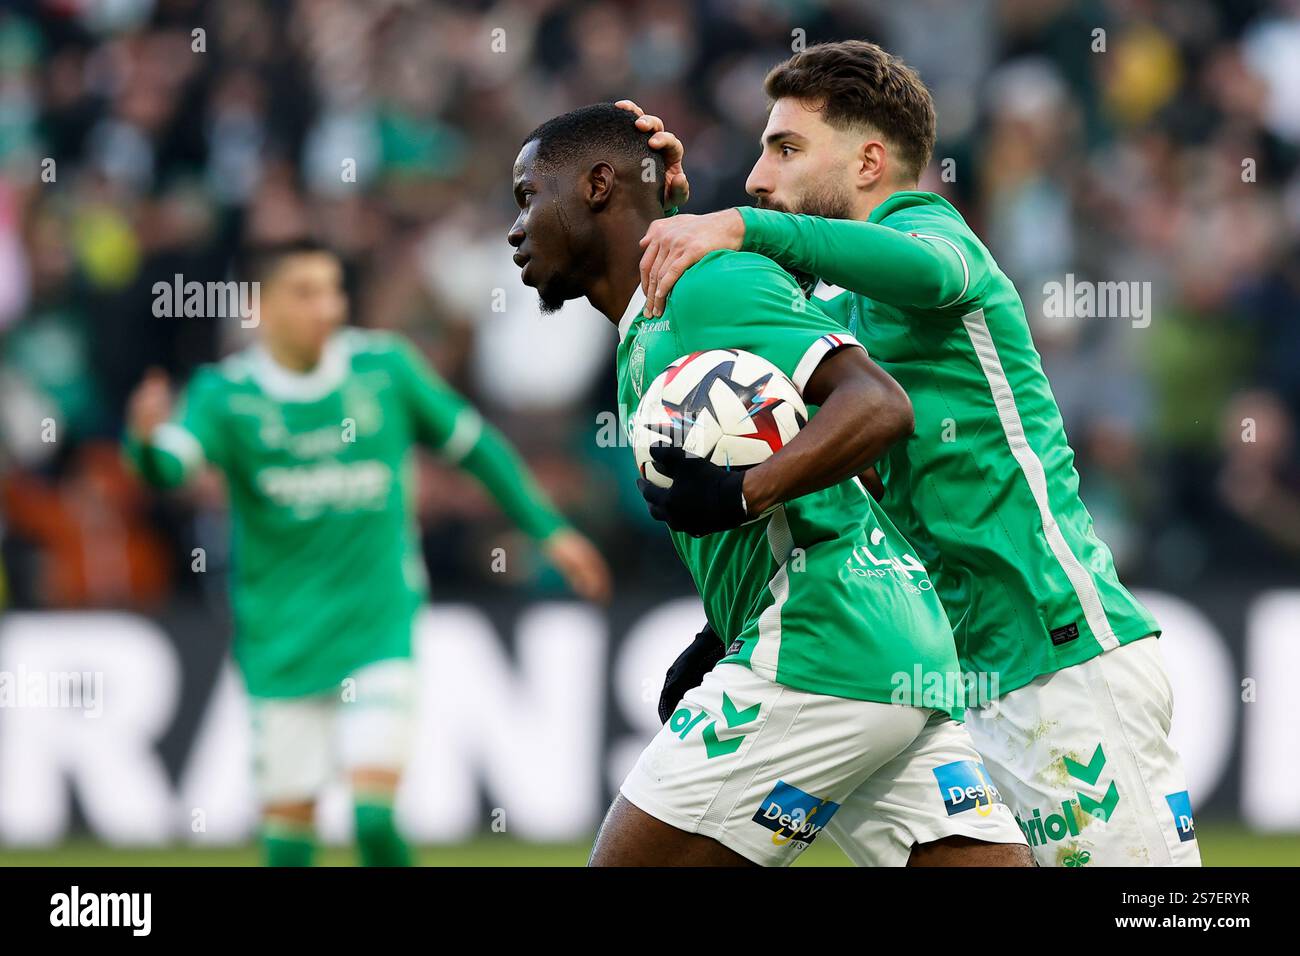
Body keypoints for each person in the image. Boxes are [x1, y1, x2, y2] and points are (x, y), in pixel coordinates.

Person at [620, 38, 1199, 866]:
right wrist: (658, 189)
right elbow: (861, 491)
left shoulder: (929, 231)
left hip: (1059, 656)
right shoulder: (844, 312)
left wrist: (743, 225)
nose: (756, 176)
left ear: (868, 160)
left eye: (784, 149)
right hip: (958, 682)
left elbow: (925, 273)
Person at [509, 102, 1030, 867]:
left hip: (821, 648)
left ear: (595, 186)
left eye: (528, 196)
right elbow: (841, 472)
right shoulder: (652, 323)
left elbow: (879, 407)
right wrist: (727, 627)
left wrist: (741, 492)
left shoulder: (703, 286)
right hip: (896, 652)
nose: (515, 228)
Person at [124, 238, 611, 866]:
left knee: (373, 819)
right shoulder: (226, 394)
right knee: (285, 848)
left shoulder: (384, 369)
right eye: (305, 293)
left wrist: (552, 531)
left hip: (378, 626)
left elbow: (477, 448)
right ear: (260, 308)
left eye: (334, 290)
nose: (327, 307)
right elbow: (169, 468)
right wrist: (141, 442)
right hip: (281, 640)